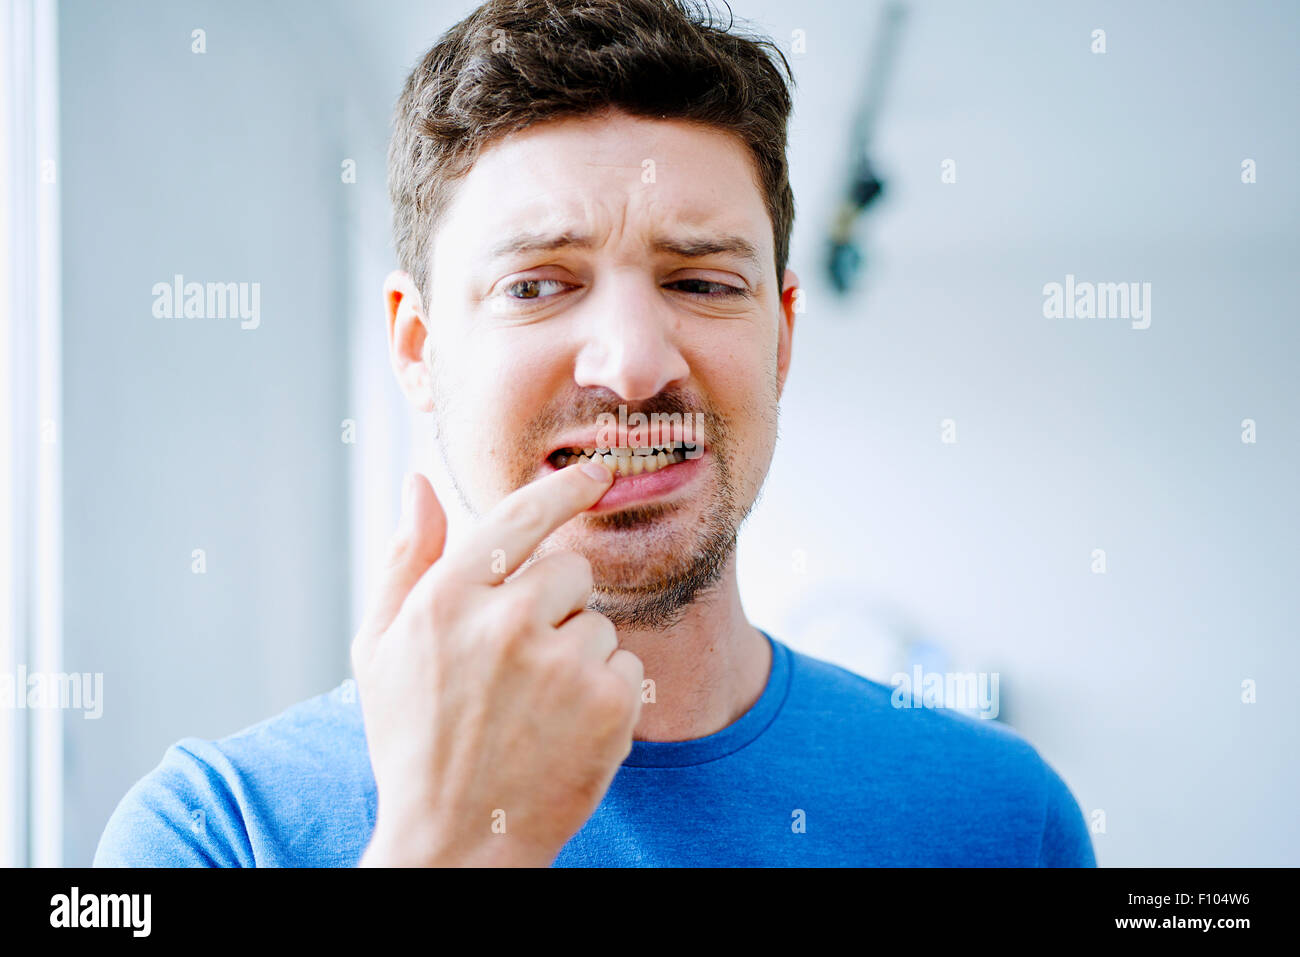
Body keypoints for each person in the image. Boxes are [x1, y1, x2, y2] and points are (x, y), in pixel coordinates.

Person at [95, 0, 1095, 867]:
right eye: (537, 286)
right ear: (417, 347)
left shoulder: (1004, 819)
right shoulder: (214, 832)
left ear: (782, 338)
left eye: (702, 282)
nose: (633, 365)